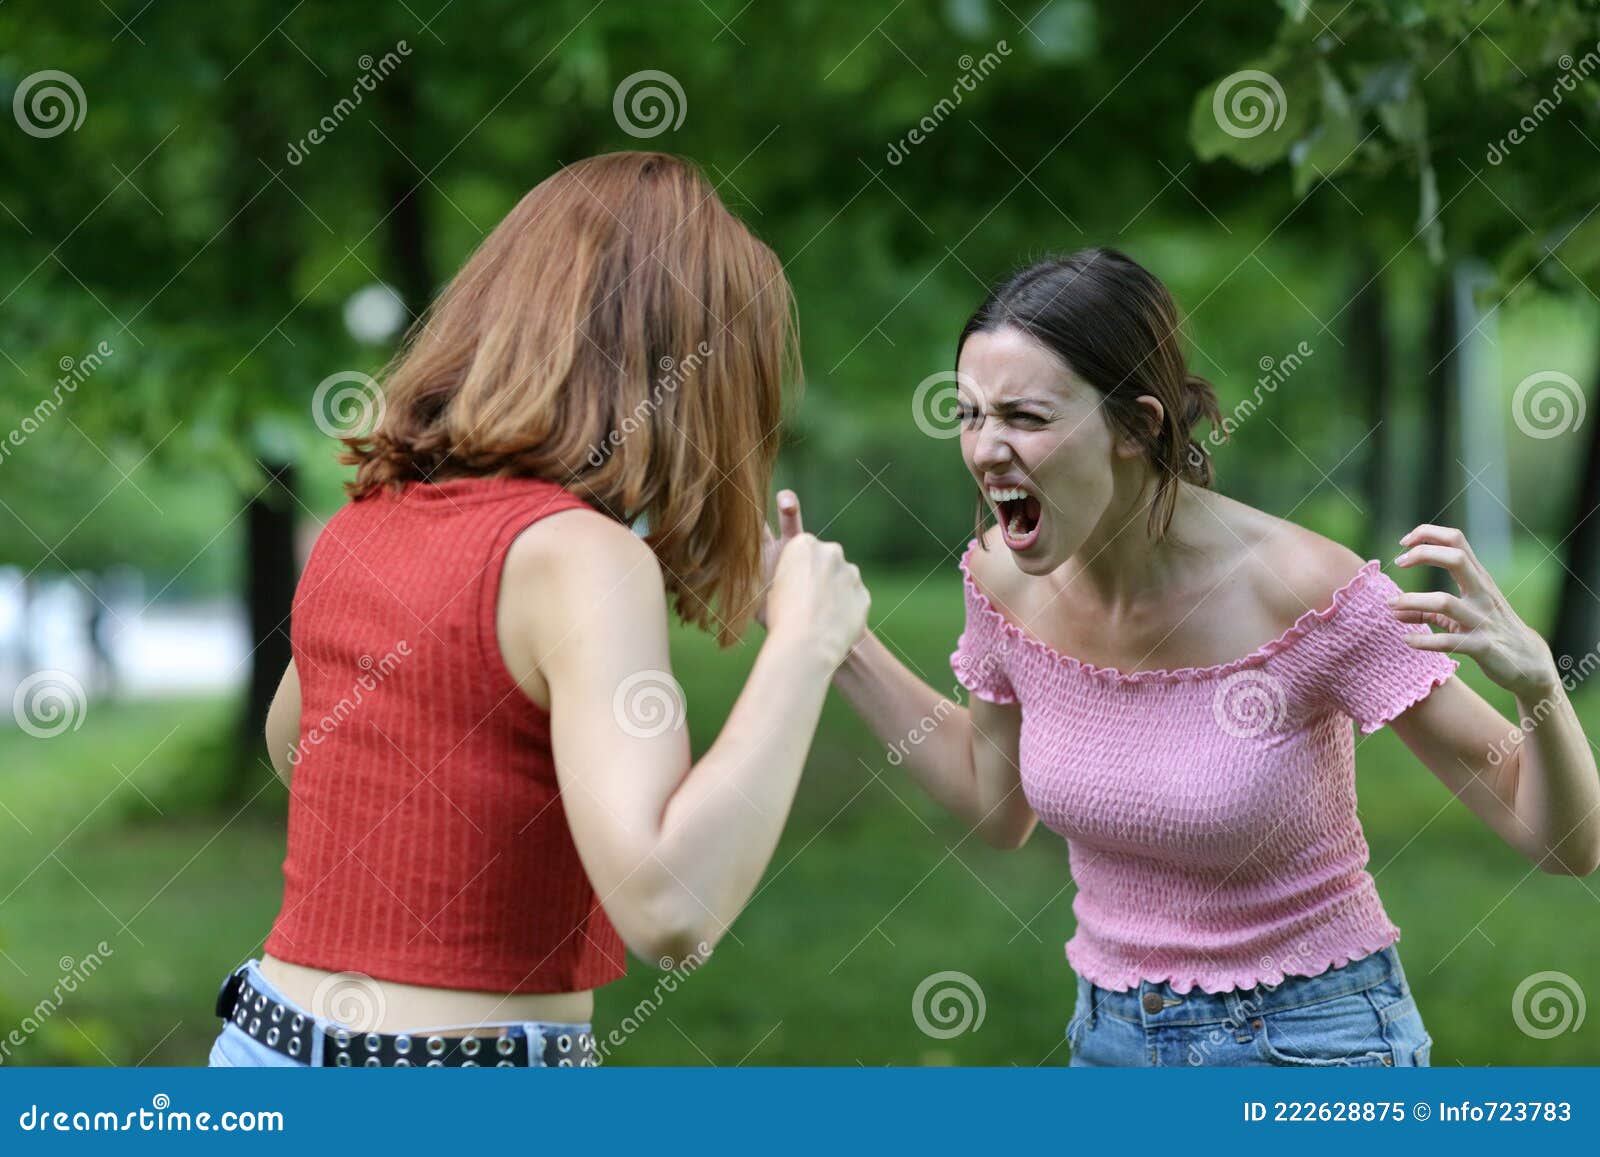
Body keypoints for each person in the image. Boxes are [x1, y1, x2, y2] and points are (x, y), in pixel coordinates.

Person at [803, 246, 1600, 1067]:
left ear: (1138, 426)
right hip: (1108, 1041)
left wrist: (1539, 684)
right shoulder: (1005, 584)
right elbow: (995, 801)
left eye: (1026, 417)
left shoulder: (1304, 593)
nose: (985, 449)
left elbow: (1561, 839)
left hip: (1311, 1047)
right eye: (970, 414)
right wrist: (833, 635)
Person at [207, 151, 869, 1069]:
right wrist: (805, 641)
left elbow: (300, 747)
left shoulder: (369, 519)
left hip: (263, 1044)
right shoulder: (583, 558)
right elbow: (670, 908)